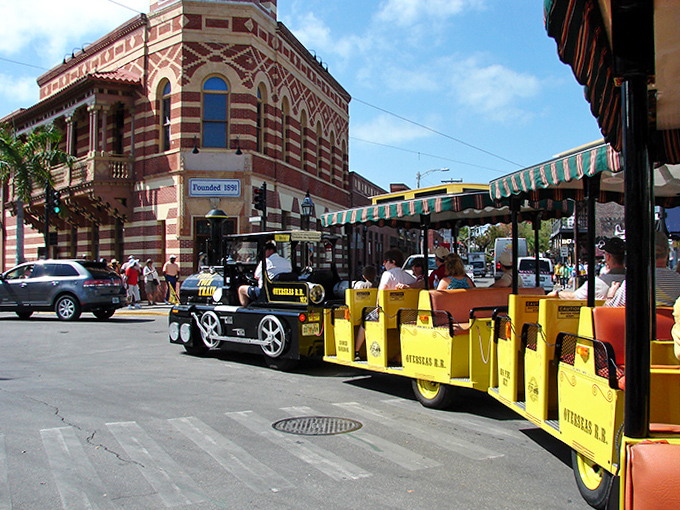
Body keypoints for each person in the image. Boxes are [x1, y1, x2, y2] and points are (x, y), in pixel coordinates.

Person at [354, 248, 415, 360]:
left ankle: (356, 352)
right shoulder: (409, 276)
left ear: (393, 262)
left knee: (365, 319)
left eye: (385, 261)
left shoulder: (388, 274)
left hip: (388, 314)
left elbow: (381, 292)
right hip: (406, 314)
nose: (384, 264)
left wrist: (378, 307)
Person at [606, 231, 680, 308]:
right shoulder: (678, 281)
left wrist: (610, 296)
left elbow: (607, 313)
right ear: (668, 252)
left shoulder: (634, 281)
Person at [550, 237, 625, 299]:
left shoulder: (598, 283)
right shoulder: (632, 282)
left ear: (607, 257)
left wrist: (558, 293)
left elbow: (574, 297)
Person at [238, 241, 292, 306]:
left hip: (265, 292)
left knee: (241, 289)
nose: (264, 253)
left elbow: (256, 276)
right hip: (283, 292)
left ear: (270, 250)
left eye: (265, 250)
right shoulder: (286, 262)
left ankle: (245, 309)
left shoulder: (266, 262)